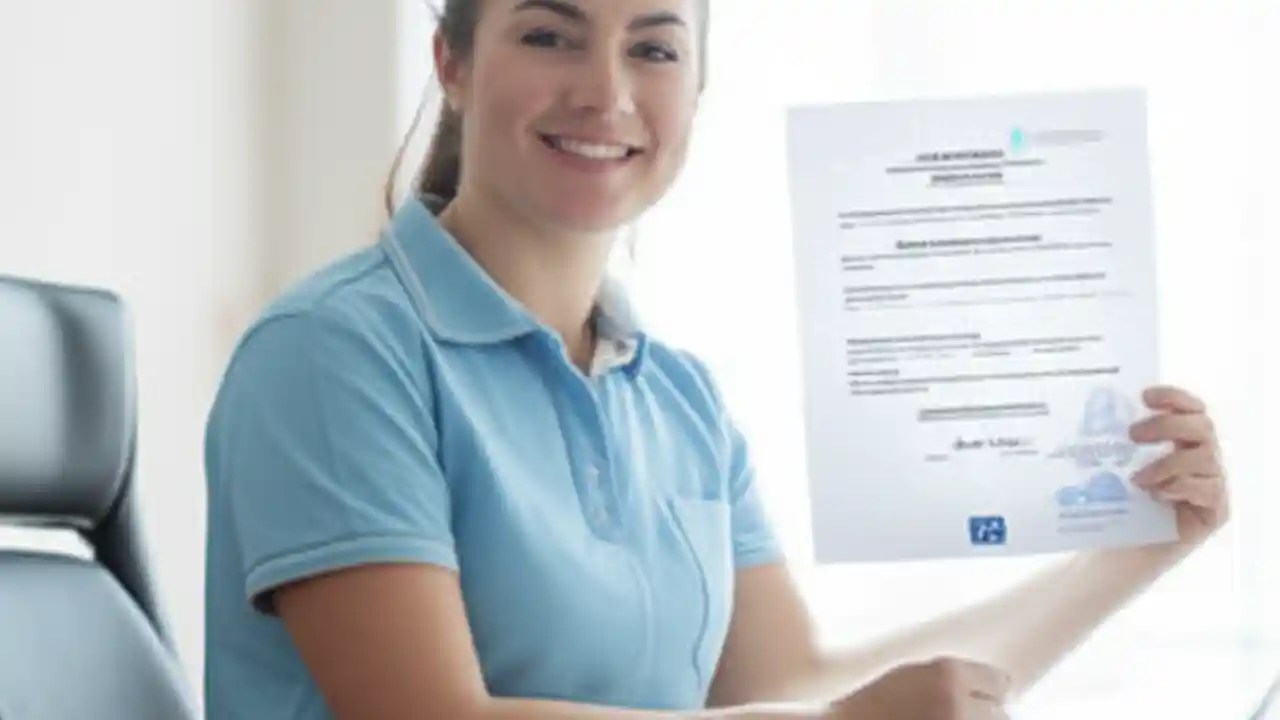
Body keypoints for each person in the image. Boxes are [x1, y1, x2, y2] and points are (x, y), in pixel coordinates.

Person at [202, 1, 1232, 718]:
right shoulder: (332, 354)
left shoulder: (677, 396)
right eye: (550, 33)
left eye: (652, 49)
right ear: (453, 64)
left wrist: (1132, 549)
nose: (603, 92)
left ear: (695, 88)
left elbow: (792, 685)